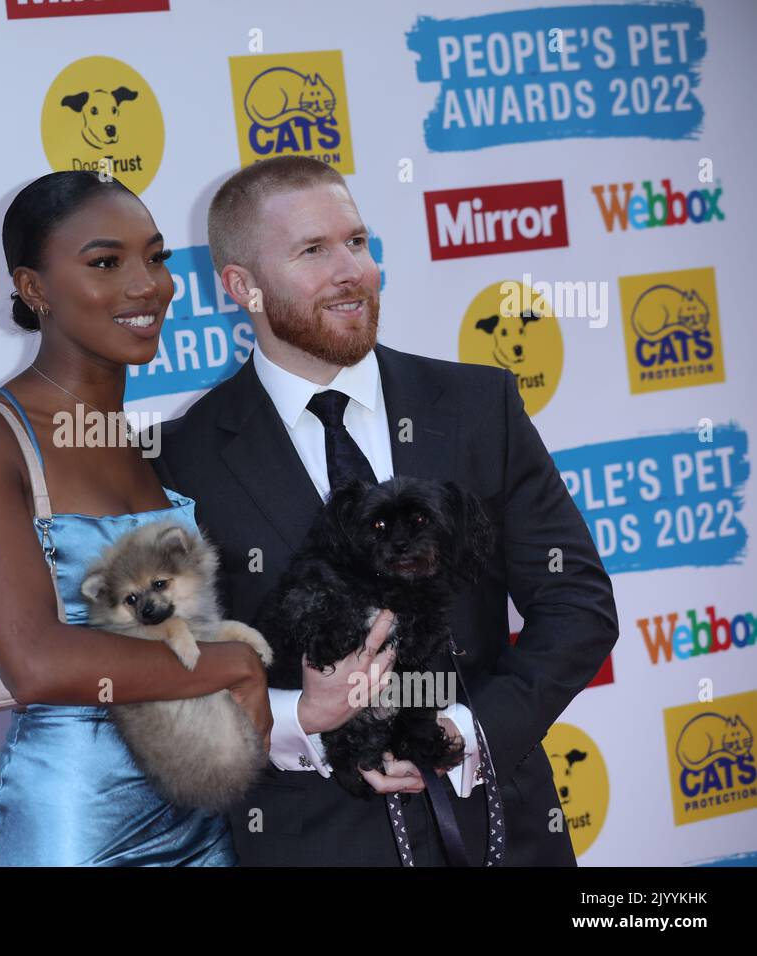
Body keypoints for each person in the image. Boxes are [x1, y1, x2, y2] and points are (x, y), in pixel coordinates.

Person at [150, 156, 619, 866]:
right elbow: (174, 673)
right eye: (313, 251)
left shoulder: (475, 407)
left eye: (358, 242)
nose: (353, 272)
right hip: (314, 838)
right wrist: (305, 726)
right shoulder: (185, 458)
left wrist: (467, 731)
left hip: (504, 828)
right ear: (241, 285)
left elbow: (578, 604)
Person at [0, 170, 327, 865]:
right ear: (33, 289)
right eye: (106, 262)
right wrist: (232, 664)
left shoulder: (156, 445)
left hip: (201, 814)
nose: (148, 284)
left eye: (157, 255)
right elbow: (35, 663)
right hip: (72, 827)